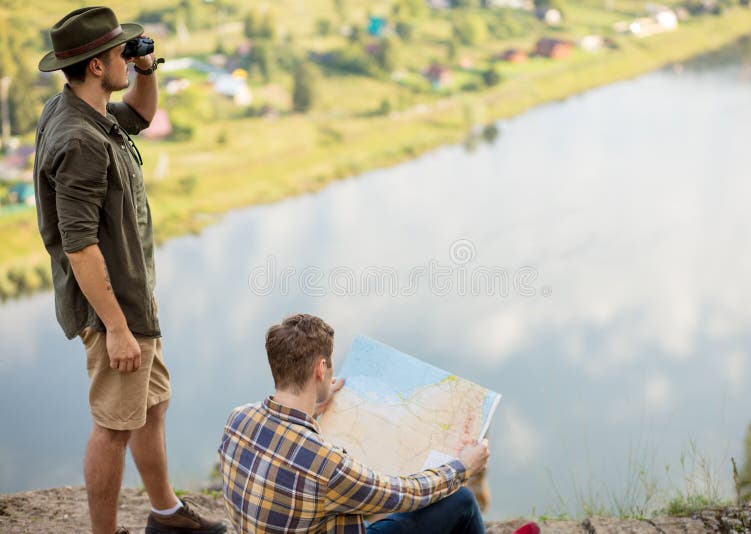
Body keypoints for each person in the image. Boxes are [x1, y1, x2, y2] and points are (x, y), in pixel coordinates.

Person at [33, 7, 225, 534]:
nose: (129, 54)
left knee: (152, 404)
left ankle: (165, 515)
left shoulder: (86, 110)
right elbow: (79, 246)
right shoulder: (79, 140)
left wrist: (145, 70)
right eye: (121, 51)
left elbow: (139, 115)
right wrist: (116, 328)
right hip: (112, 306)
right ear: (96, 66)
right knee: (113, 426)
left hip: (133, 297)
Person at [218, 313, 490, 533]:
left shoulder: (238, 418)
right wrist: (462, 467)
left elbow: (283, 450)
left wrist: (315, 408)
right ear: (321, 369)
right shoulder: (326, 465)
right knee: (462, 501)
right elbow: (403, 494)